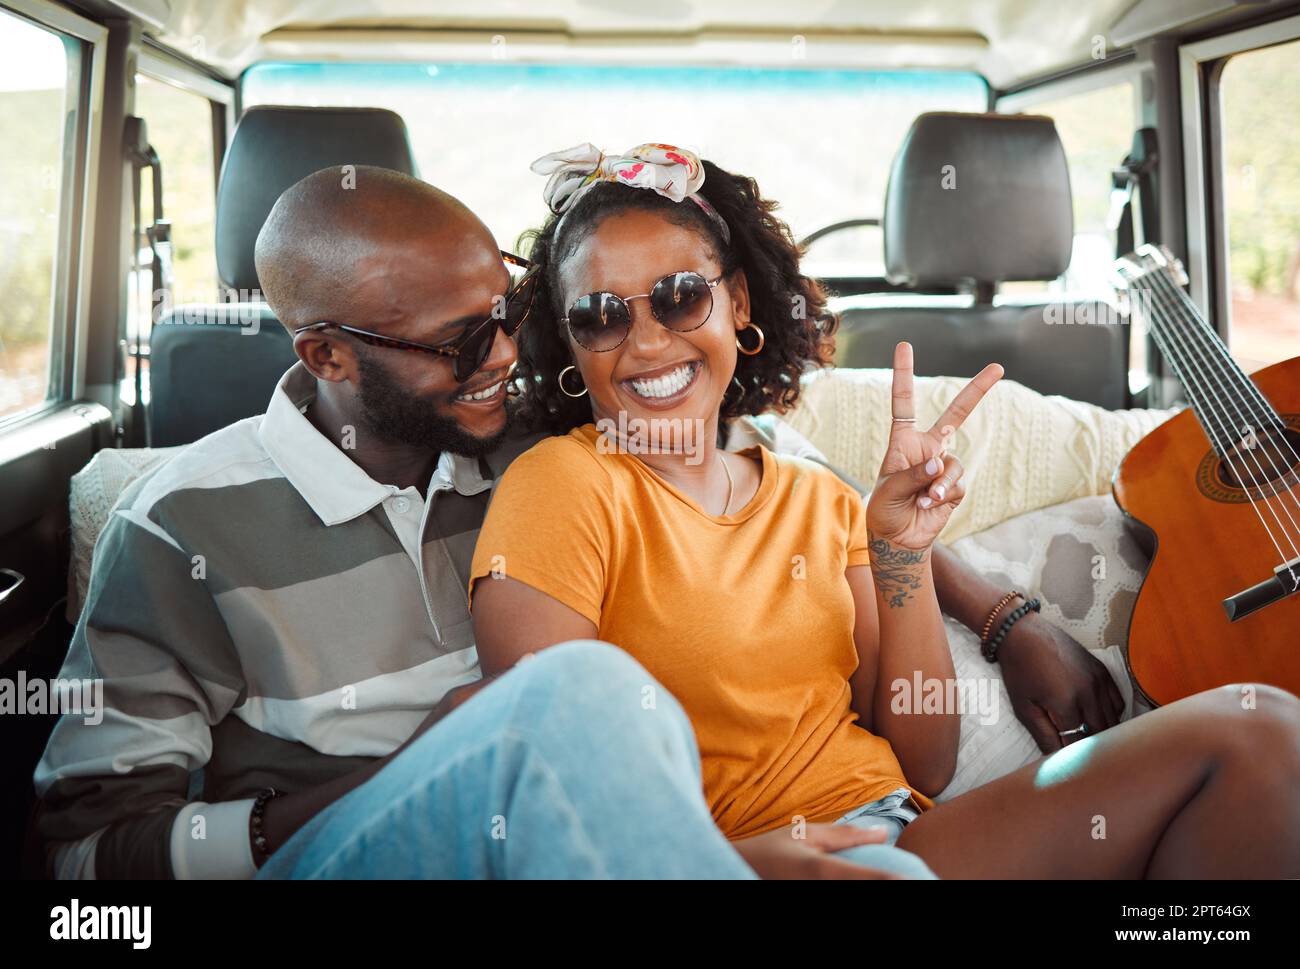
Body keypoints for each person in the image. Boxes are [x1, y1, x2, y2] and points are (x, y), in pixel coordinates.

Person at [29, 165, 922, 879]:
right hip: (334, 842)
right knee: (582, 690)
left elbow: (769, 466)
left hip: (556, 842)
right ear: (326, 354)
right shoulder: (180, 527)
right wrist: (432, 763)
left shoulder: (513, 434)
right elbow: (83, 857)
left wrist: (988, 600)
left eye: (507, 318)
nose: (501, 359)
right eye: (459, 343)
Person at [469, 142, 1300, 878]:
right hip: (724, 859)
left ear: (741, 306)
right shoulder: (563, 486)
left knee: (1257, 728)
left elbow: (926, 760)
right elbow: (537, 774)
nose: (646, 343)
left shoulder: (819, 497)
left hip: (904, 837)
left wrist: (900, 557)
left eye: (681, 297)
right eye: (601, 315)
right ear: (570, 345)